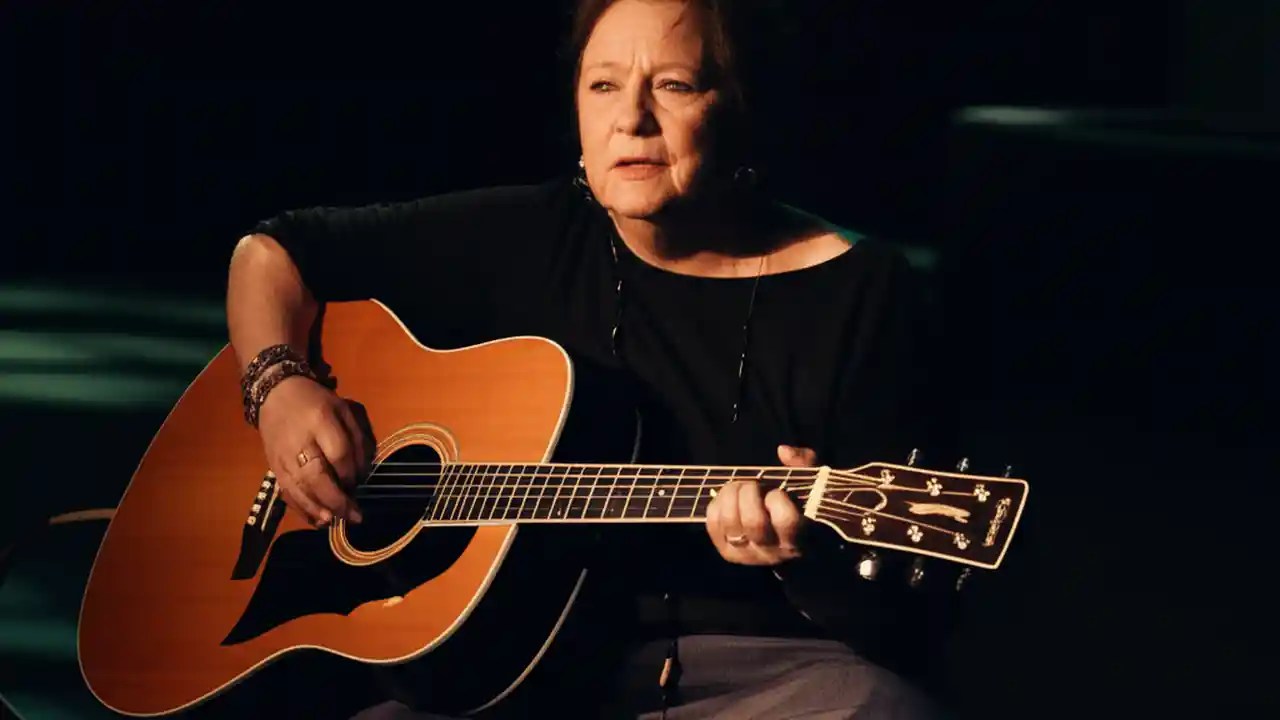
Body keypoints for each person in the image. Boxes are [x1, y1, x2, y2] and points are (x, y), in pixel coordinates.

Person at [227, 0, 955, 717]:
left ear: (738, 105)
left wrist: (803, 558)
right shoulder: (526, 235)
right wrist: (277, 384)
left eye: (674, 85)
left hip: (757, 672)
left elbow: (906, 615)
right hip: (510, 669)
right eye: (603, 84)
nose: (630, 118)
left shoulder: (861, 290)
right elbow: (271, 252)